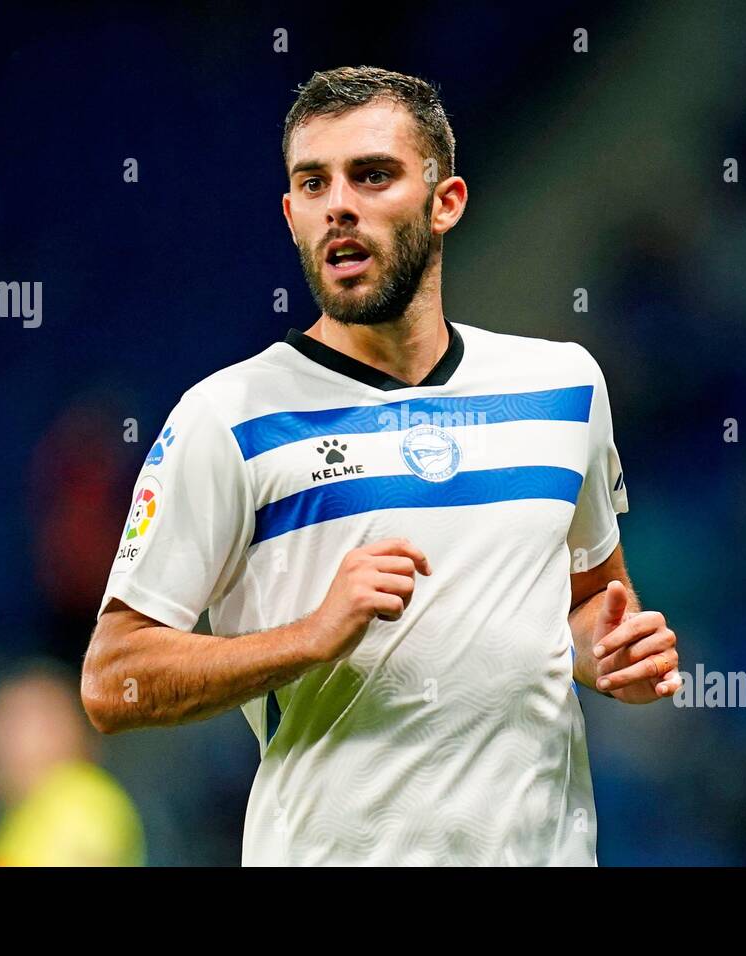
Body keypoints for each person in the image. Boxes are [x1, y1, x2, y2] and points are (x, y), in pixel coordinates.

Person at [83, 65, 682, 865]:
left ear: (446, 203)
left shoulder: (564, 388)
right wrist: (310, 637)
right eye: (314, 182)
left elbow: (590, 602)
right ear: (292, 215)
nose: (340, 204)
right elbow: (112, 681)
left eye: (372, 175)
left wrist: (608, 654)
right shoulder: (228, 418)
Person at [0, 664, 145, 866]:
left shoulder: (81, 801)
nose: (6, 740)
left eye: (28, 720)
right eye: (2, 725)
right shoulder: (27, 813)